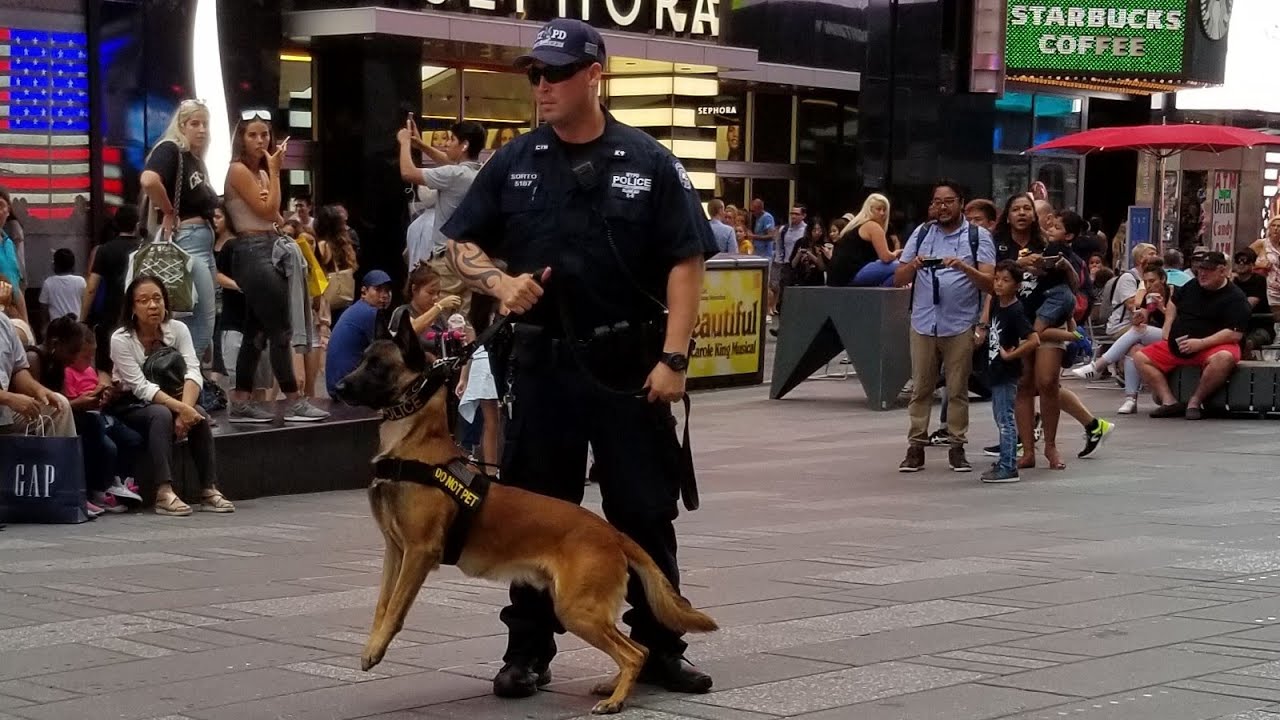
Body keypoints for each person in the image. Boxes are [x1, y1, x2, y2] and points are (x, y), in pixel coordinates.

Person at [439, 18, 720, 698]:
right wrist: (499, 282)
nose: (542, 85)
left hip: (630, 366)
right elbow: (461, 244)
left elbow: (686, 264)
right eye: (535, 73)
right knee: (536, 515)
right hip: (544, 367)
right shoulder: (515, 160)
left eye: (555, 73)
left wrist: (675, 359)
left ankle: (658, 647)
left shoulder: (650, 161)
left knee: (644, 511)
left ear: (595, 75)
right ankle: (527, 652)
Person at [222, 112, 329, 423]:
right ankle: (294, 400)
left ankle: (241, 401)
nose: (261, 141)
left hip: (268, 248)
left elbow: (275, 216)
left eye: (265, 135)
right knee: (280, 329)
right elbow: (267, 209)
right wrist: (276, 171)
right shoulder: (239, 170)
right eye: (253, 135)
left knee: (256, 331)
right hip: (251, 252)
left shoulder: (261, 173)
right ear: (241, 138)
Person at [894, 180, 996, 473]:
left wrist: (964, 267)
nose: (942, 207)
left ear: (961, 202)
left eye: (948, 201)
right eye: (937, 202)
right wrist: (914, 264)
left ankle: (957, 446)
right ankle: (915, 446)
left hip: (960, 322)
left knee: (957, 388)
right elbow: (898, 279)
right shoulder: (923, 233)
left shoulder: (978, 237)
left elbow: (990, 283)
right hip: (924, 322)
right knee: (921, 387)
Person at [109, 276, 232, 516]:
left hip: (174, 397)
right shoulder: (121, 339)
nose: (152, 306)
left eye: (157, 299)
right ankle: (164, 492)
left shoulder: (178, 329)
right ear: (132, 307)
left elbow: (193, 371)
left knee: (200, 414)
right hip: (130, 403)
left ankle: (208, 489)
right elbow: (141, 387)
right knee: (161, 414)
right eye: (143, 301)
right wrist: (182, 409)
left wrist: (186, 410)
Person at [139, 99, 220, 359]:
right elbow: (149, 180)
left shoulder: (194, 160)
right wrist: (169, 210)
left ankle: (181, 378)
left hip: (201, 244)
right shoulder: (171, 149)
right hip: (187, 242)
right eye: (194, 123)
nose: (202, 130)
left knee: (194, 319)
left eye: (205, 124)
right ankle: (185, 377)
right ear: (181, 126)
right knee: (202, 322)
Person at [1135, 249, 1251, 420]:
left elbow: (1234, 334)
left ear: (1222, 271)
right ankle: (1169, 401)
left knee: (1225, 357)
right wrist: (1168, 327)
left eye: (1208, 270)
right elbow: (1174, 303)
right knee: (1140, 357)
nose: (1202, 274)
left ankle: (1195, 401)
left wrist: (1202, 343)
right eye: (1200, 269)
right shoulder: (1192, 285)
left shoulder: (1236, 297)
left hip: (1212, 345)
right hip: (1179, 344)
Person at [398, 118, 487, 316]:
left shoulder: (455, 175)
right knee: (460, 321)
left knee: (439, 318)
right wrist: (420, 145)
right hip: (469, 259)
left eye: (451, 139)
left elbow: (408, 172)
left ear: (464, 145)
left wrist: (404, 142)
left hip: (446, 260)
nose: (447, 143)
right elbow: (449, 163)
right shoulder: (478, 173)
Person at [983, 261, 1039, 483]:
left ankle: (1008, 465)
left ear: (1016, 285)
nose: (999, 284)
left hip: (1007, 372)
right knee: (1000, 416)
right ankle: (1005, 460)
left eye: (1005, 280)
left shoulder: (1016, 310)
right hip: (996, 369)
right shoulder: (998, 302)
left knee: (1006, 419)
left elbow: (1033, 340)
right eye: (997, 279)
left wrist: (1012, 356)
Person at [82, 206, 142, 370]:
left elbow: (91, 287)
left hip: (110, 316)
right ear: (137, 224)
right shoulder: (145, 249)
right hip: (138, 314)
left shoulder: (104, 250)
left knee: (106, 364)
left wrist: (83, 318)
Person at [324, 269, 395, 399]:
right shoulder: (369, 313)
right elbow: (390, 349)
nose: (384, 295)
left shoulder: (357, 309)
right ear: (364, 292)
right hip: (346, 388)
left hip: (337, 385)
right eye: (378, 290)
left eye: (387, 291)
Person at [1232, 247, 1274, 355]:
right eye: (1238, 261)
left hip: (1260, 327)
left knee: (1248, 342)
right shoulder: (1233, 282)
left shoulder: (1259, 280)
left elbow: (1247, 305)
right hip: (1239, 327)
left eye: (1245, 261)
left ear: (1252, 264)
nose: (1241, 264)